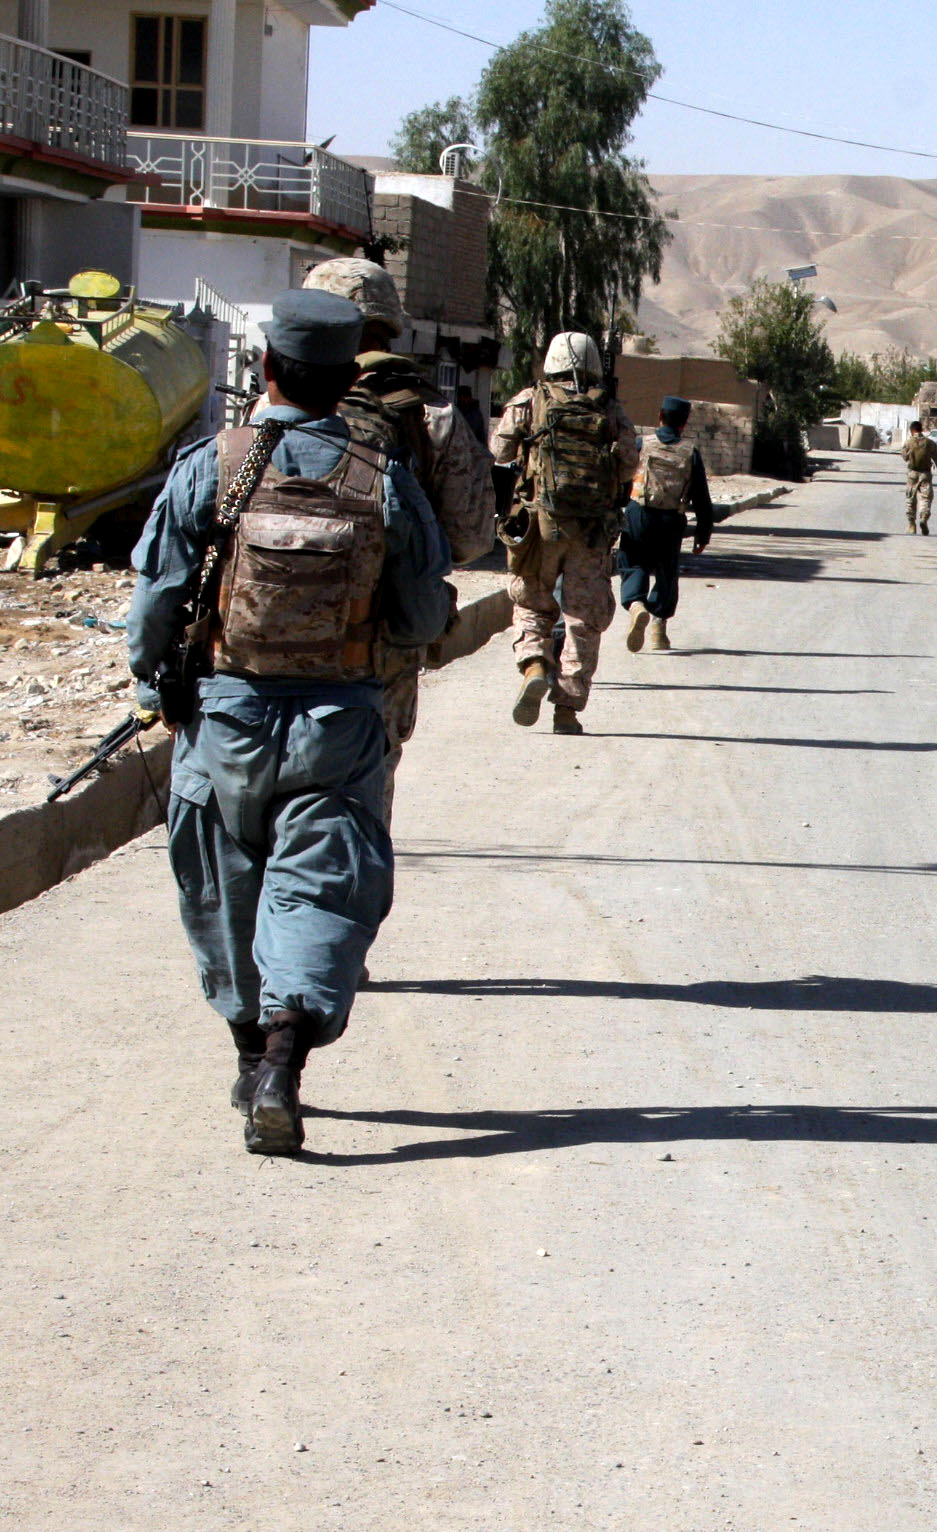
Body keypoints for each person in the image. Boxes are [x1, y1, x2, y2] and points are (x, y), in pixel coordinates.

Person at [124, 291, 452, 1154]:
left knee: (225, 885)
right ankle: (281, 1060)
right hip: (339, 722)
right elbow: (422, 617)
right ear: (347, 380)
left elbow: (156, 597)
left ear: (266, 367)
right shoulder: (383, 479)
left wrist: (154, 676)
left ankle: (245, 1047)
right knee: (320, 887)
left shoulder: (214, 463)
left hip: (223, 717)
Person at [301, 256, 496, 806]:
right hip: (378, 650)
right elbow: (472, 538)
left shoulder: (276, 404)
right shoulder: (428, 416)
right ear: (391, 323)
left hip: (266, 647)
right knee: (359, 804)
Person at [489, 332, 636, 734]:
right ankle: (567, 710)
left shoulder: (530, 399)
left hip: (540, 525)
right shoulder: (609, 409)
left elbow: (499, 451)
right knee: (583, 618)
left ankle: (535, 663)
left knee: (532, 601)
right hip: (591, 531)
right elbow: (627, 465)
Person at [621, 396, 717, 653]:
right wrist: (703, 533)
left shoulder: (642, 444)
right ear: (684, 424)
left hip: (638, 513)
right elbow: (701, 498)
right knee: (666, 572)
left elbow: (622, 479)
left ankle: (636, 605)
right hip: (670, 519)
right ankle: (658, 630)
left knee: (633, 562)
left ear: (660, 416)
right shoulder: (690, 453)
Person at [900, 418, 937, 535]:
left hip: (912, 474)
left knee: (910, 498)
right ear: (921, 430)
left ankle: (912, 525)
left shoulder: (908, 442)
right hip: (925, 474)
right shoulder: (929, 443)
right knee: (926, 498)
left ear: (912, 431)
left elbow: (904, 457)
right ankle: (923, 518)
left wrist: (910, 451)